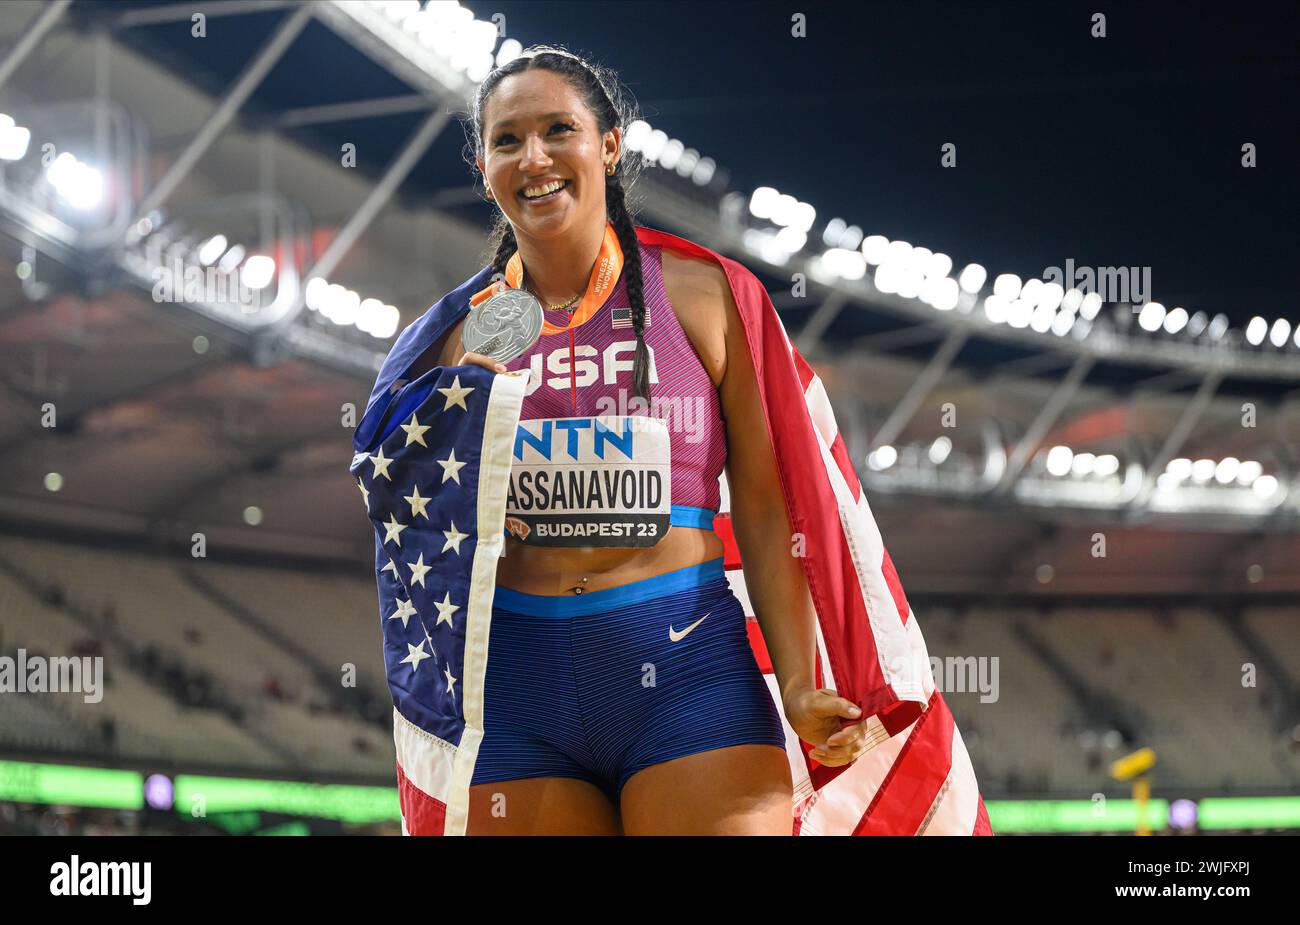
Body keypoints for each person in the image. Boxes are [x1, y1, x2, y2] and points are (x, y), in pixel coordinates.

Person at [404, 45, 874, 835]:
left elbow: (765, 505)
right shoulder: (454, 338)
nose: (536, 157)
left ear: (609, 145)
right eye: (508, 140)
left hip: (689, 679)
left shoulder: (704, 296)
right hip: (513, 696)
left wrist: (797, 683)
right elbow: (414, 518)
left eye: (560, 130)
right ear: (482, 163)